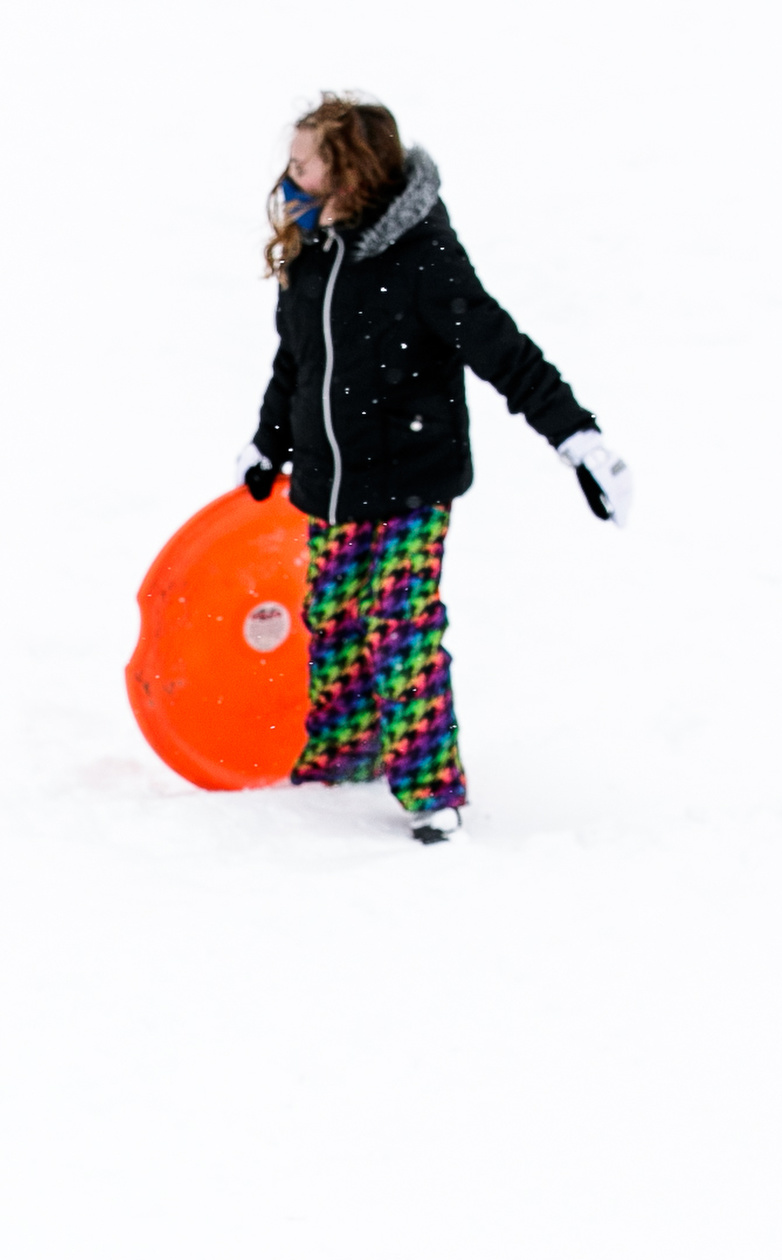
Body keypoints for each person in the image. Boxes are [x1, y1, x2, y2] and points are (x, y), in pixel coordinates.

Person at [236, 95, 632, 844]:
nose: (287, 178)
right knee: (335, 622)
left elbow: (503, 351)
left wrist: (577, 438)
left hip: (408, 480)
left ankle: (431, 791)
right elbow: (296, 362)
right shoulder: (314, 252)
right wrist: (268, 443)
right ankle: (343, 760)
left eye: (302, 164)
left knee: (399, 628)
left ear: (347, 176)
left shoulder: (420, 260)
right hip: (331, 484)